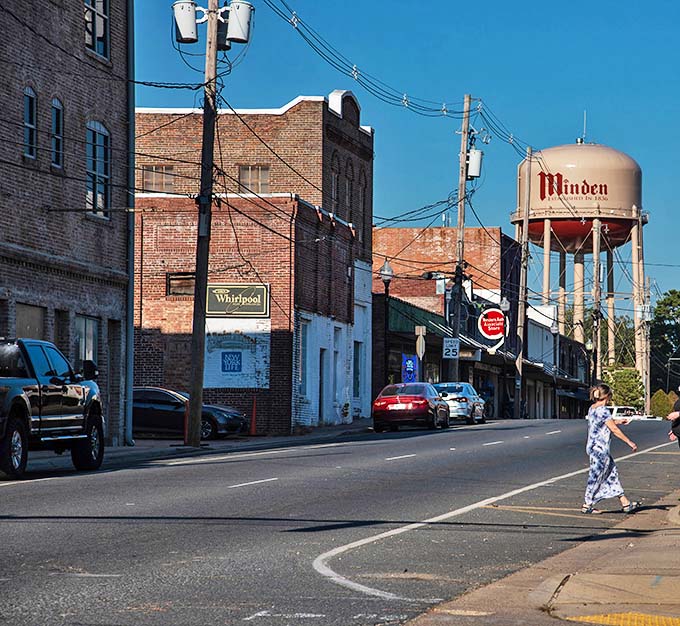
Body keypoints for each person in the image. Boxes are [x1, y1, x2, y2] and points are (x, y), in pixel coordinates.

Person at [582, 383, 641, 515]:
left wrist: (619, 421)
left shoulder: (592, 408)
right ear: (607, 396)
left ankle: (625, 502)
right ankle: (587, 504)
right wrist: (629, 442)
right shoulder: (603, 410)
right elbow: (613, 429)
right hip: (600, 449)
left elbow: (604, 422)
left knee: (611, 473)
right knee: (596, 475)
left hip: (592, 447)